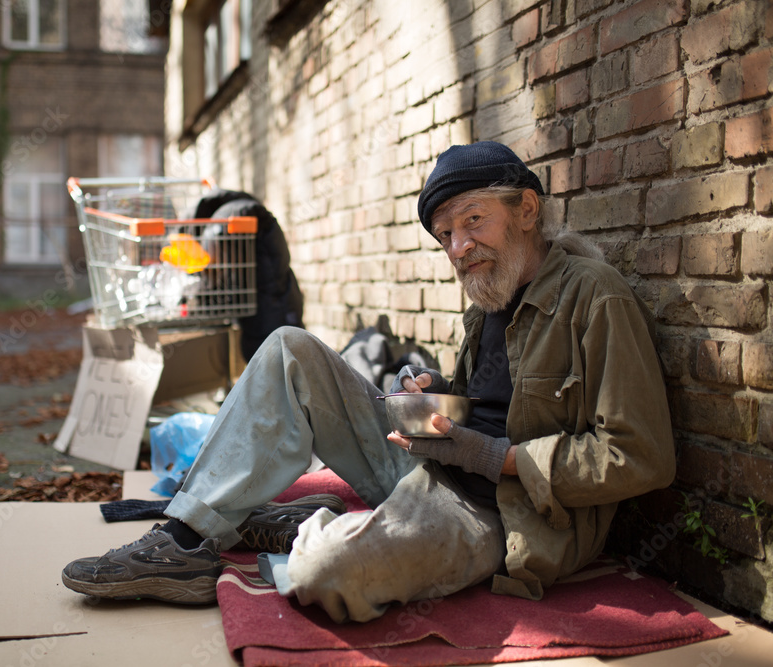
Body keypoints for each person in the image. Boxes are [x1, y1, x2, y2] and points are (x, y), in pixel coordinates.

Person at [62, 141, 676, 623]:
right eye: (445, 236)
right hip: (429, 465)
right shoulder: (490, 299)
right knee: (289, 349)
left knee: (323, 574)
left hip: (499, 517)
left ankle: (304, 526)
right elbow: (485, 407)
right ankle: (184, 539)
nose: (459, 247)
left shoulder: (596, 299)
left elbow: (641, 457)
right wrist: (438, 394)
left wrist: (495, 457)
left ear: (527, 209)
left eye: (473, 221)